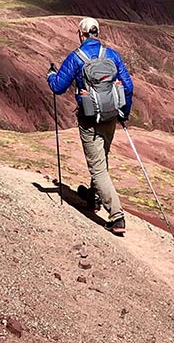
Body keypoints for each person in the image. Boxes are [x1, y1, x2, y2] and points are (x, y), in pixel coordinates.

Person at [47, 16, 133, 236]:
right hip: (111, 116)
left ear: (80, 34)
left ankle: (117, 217)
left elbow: (58, 87)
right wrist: (124, 113)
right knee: (102, 158)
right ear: (97, 33)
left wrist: (50, 75)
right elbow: (128, 86)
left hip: (89, 119)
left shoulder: (77, 58)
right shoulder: (111, 55)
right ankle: (94, 199)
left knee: (97, 167)